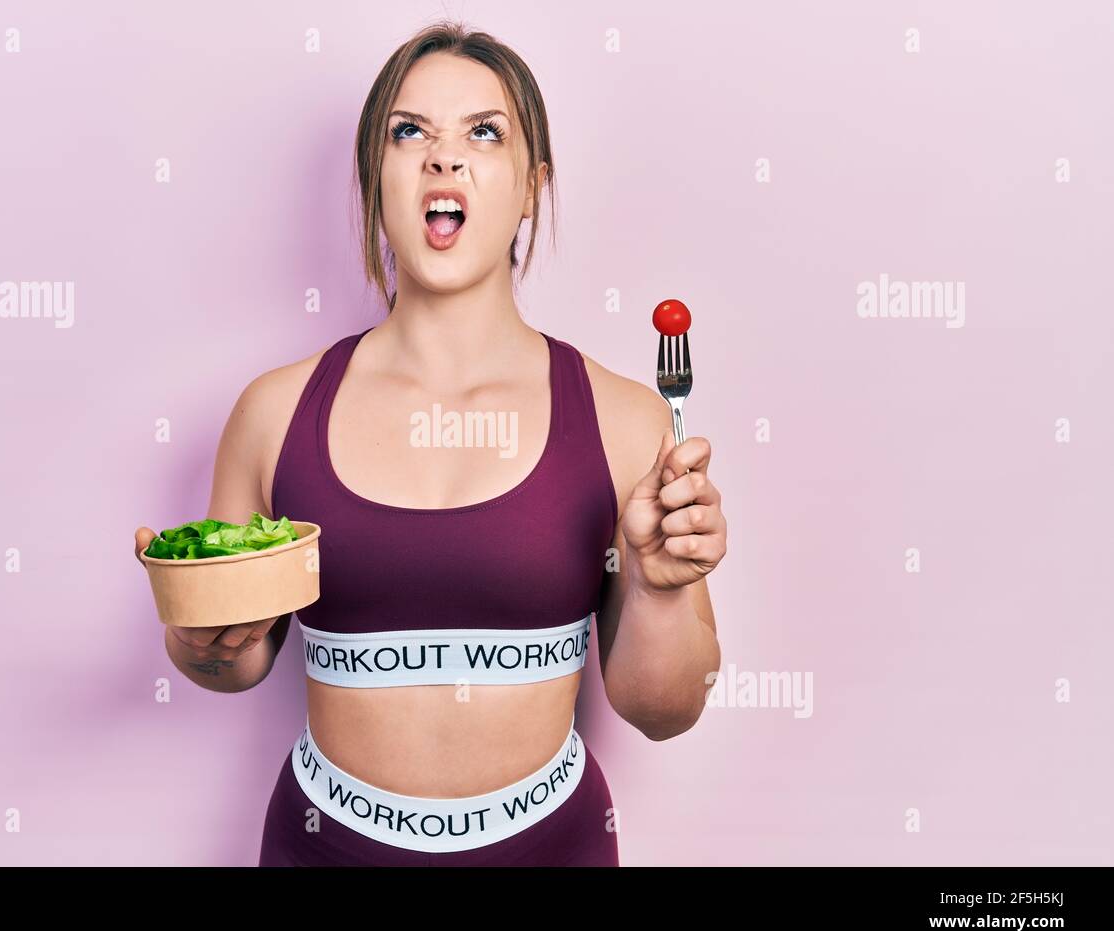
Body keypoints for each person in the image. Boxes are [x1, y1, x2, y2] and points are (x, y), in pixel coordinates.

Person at [133, 20, 726, 866]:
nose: (444, 159)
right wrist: (199, 638)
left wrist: (662, 590)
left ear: (532, 186)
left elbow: (664, 711)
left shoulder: (626, 420)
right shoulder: (271, 414)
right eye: (409, 133)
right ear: (375, 179)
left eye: (484, 133)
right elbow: (233, 666)